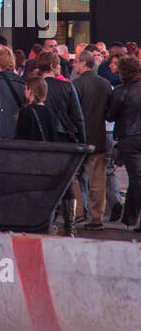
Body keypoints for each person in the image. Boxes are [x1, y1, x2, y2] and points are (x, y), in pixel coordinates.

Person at [38, 50, 86, 236]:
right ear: (52, 66)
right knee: (67, 182)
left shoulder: (34, 86)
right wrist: (82, 142)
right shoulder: (66, 86)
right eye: (58, 64)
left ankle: (47, 221)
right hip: (64, 138)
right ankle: (70, 224)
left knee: (46, 182)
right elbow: (77, 116)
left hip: (42, 139)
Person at [72, 50, 111, 230]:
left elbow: (72, 112)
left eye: (75, 62)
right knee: (97, 182)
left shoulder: (76, 84)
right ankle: (97, 218)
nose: (73, 65)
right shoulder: (105, 84)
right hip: (99, 138)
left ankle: (78, 212)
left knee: (72, 178)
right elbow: (110, 112)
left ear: (83, 63)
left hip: (79, 140)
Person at [109, 53, 141, 231]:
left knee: (136, 179)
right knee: (137, 179)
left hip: (128, 138)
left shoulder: (120, 92)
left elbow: (110, 115)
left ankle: (130, 217)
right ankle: (131, 217)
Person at [15, 72, 60, 141]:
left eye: (26, 88)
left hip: (30, 150)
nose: (24, 91)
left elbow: (21, 138)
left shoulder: (25, 112)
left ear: (30, 91)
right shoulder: (50, 112)